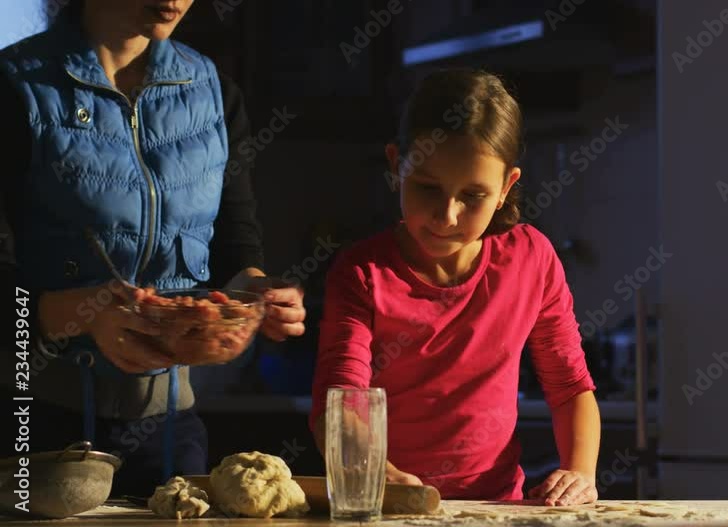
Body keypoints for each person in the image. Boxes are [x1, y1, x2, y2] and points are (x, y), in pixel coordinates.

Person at [0, 0, 306, 496]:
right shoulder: (14, 87)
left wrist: (254, 294)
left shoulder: (214, 93)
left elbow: (235, 245)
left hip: (170, 430)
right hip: (35, 425)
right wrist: (84, 312)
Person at [310, 69, 601, 505]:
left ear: (505, 188)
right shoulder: (362, 273)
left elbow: (571, 387)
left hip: (497, 508)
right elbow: (341, 403)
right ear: (396, 166)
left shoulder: (531, 259)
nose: (447, 215)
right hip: (392, 509)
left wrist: (580, 473)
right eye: (428, 188)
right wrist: (376, 473)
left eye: (473, 196)